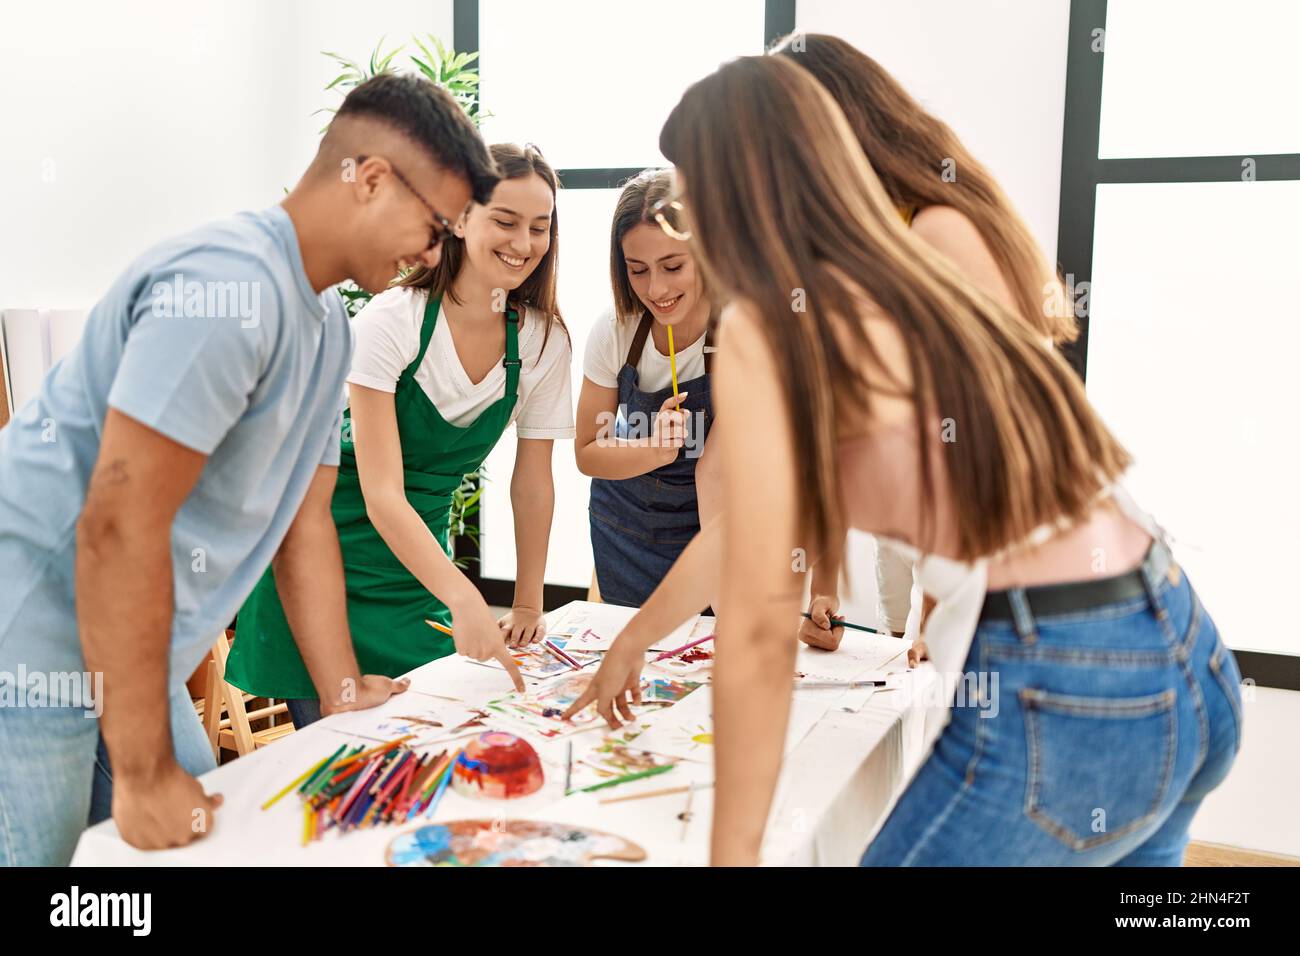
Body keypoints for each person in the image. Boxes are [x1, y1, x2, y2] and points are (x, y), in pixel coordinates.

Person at [658, 54, 1240, 866]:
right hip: (1180, 639)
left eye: (690, 206)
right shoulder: (931, 245)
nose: (694, 232)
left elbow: (758, 628)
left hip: (1067, 680)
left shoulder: (769, 325)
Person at [0, 73, 498, 864]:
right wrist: (143, 771)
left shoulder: (328, 325)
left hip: (129, 646)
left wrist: (337, 692)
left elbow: (304, 527)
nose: (437, 255)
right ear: (370, 179)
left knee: (203, 844)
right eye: (438, 227)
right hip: (29, 640)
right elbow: (117, 527)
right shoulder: (228, 289)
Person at [226, 144, 575, 723]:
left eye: (540, 227)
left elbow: (533, 479)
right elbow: (382, 492)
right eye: (505, 221)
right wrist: (464, 597)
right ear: (460, 219)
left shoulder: (542, 342)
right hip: (326, 561)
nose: (524, 243)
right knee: (339, 770)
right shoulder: (392, 321)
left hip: (416, 572)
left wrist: (528, 601)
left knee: (429, 747)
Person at [771, 33, 1077, 660]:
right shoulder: (874, 254)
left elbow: (991, 455)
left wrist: (943, 611)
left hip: (1059, 618)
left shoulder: (938, 232)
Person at [575, 170, 715, 608]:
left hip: (708, 533)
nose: (656, 289)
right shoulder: (616, 330)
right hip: (624, 534)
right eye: (637, 270)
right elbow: (587, 451)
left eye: (673, 266)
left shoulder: (741, 333)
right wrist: (654, 449)